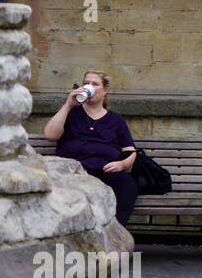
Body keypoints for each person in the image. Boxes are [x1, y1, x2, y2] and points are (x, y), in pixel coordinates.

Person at [42, 70, 138, 227]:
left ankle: (115, 232)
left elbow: (130, 151)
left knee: (127, 184)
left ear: (105, 91)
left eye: (95, 84)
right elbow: (50, 135)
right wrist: (68, 104)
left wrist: (122, 165)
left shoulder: (116, 120)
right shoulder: (71, 113)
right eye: (86, 83)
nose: (89, 86)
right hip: (74, 173)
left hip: (104, 171)